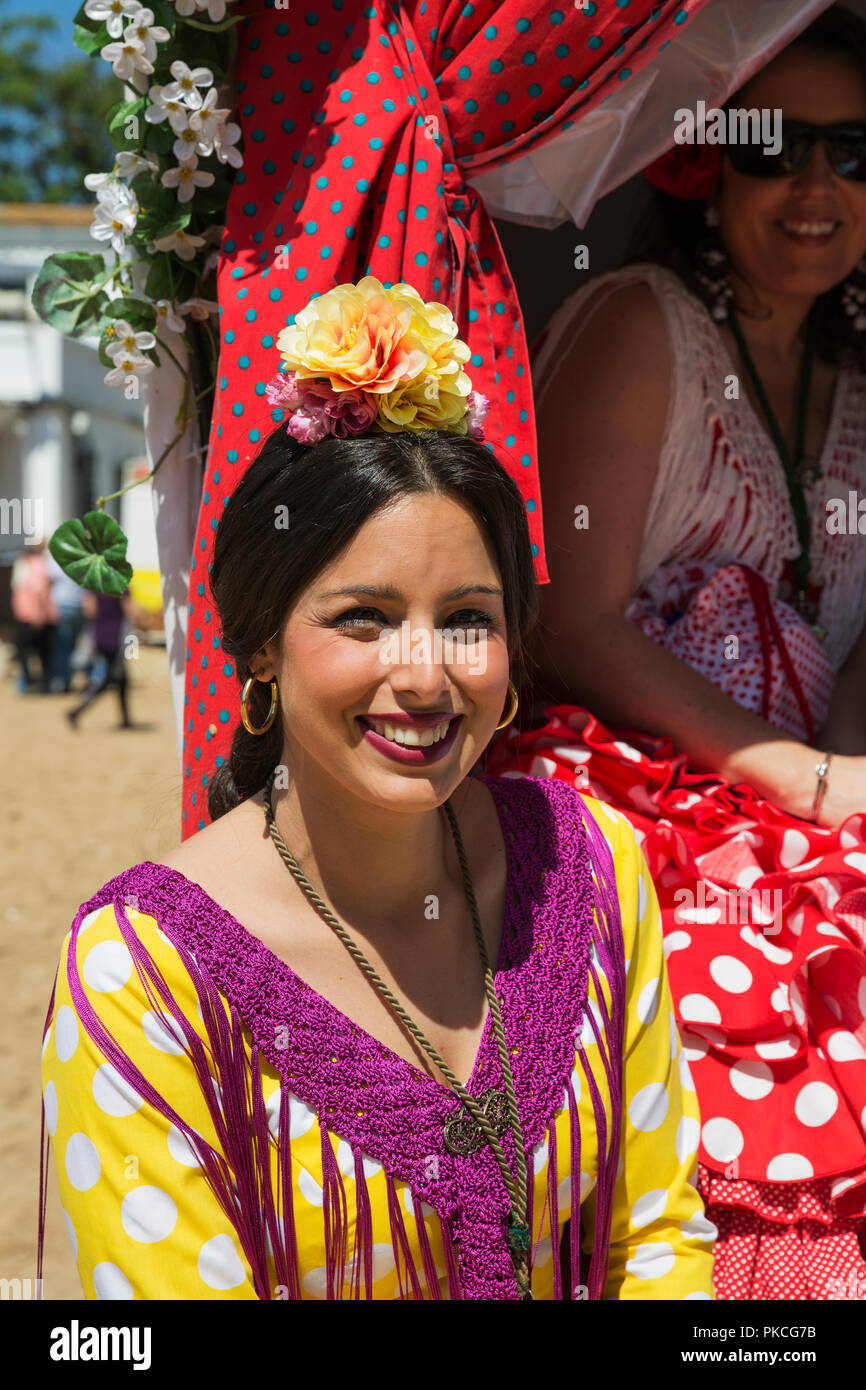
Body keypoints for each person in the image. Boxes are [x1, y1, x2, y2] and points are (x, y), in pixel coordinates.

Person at [38, 277, 714, 1301]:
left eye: (466, 619)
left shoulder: (589, 868)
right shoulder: (141, 976)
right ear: (262, 643)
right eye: (362, 616)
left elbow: (658, 1232)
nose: (424, 673)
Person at [489, 7, 866, 1300]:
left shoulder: (857, 373)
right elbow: (566, 619)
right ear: (703, 161)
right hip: (636, 784)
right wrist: (799, 783)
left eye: (855, 154)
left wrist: (840, 780)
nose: (816, 185)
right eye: (775, 145)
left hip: (807, 794)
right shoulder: (639, 327)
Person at [65, 588, 135, 730]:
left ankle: (126, 719)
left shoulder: (95, 584)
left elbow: (89, 610)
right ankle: (77, 711)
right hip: (117, 636)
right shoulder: (119, 582)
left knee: (121, 679)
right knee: (112, 678)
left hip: (100, 636)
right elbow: (130, 610)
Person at [11, 540, 57, 694]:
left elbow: (35, 591)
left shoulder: (30, 563)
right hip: (32, 615)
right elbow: (35, 591)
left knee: (32, 651)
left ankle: (34, 684)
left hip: (30, 615)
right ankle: (36, 683)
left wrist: (38, 613)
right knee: (39, 652)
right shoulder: (33, 563)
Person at [45, 549, 85, 695]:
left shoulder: (55, 561)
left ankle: (60, 682)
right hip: (77, 607)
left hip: (63, 607)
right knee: (72, 647)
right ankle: (66, 680)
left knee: (62, 647)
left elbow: (46, 583)